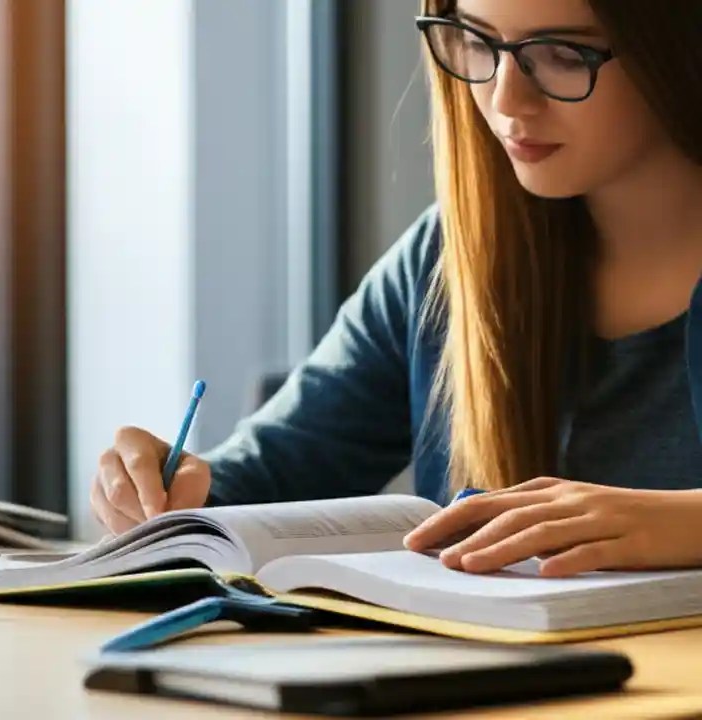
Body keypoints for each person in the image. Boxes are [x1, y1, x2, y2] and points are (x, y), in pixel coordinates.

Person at [89, 0, 702, 578]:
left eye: (565, 55)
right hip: (492, 687)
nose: (506, 99)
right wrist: (164, 489)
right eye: (476, 40)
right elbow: (263, 479)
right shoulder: (447, 261)